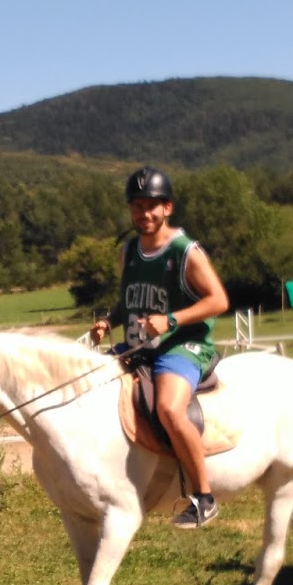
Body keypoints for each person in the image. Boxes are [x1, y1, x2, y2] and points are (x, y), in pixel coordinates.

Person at [89, 167, 230, 527]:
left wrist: (171, 321)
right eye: (137, 206)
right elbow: (130, 301)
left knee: (168, 408)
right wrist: (109, 320)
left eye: (152, 206)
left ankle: (204, 497)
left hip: (183, 345)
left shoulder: (185, 251)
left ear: (167, 208)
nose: (144, 213)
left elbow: (218, 301)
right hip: (137, 345)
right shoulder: (129, 252)